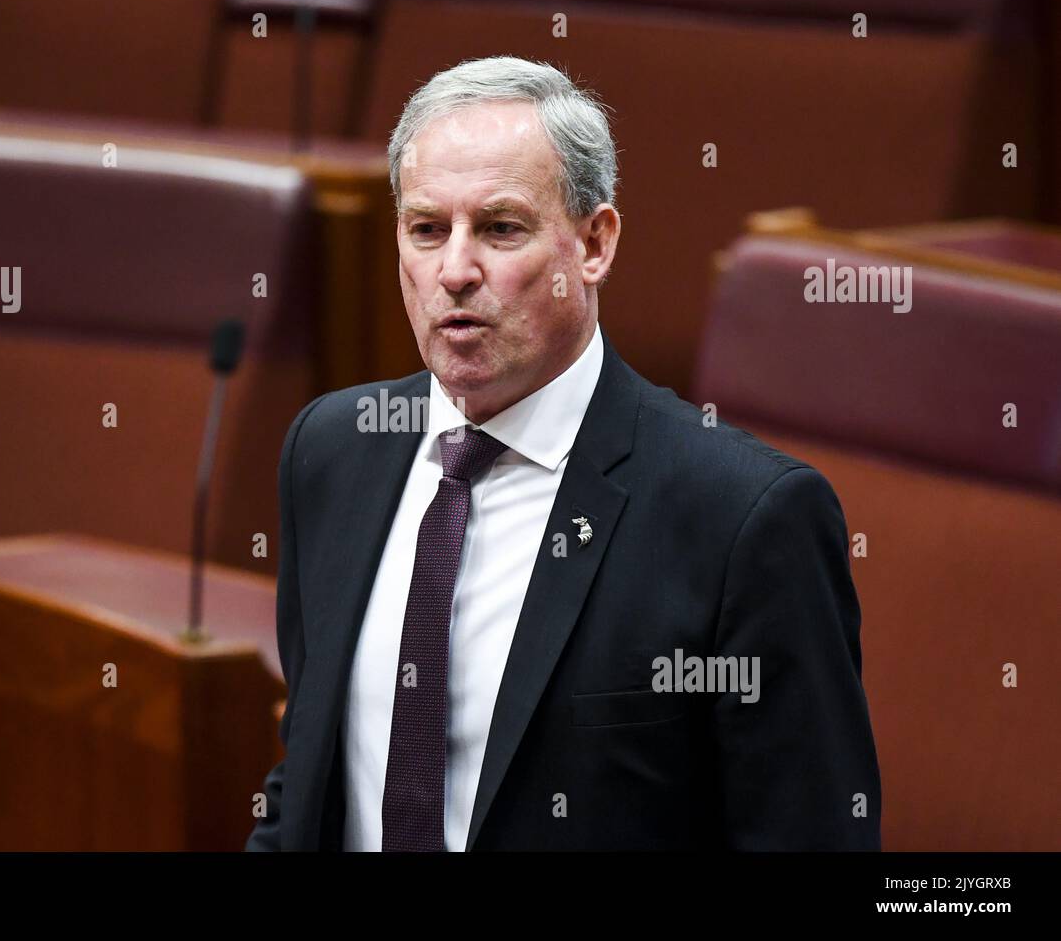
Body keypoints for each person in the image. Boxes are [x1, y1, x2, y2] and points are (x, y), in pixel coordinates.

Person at [246, 55, 880, 851]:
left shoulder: (744, 519)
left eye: (501, 228)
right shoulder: (332, 451)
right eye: (427, 229)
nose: (455, 271)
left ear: (593, 244)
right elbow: (305, 787)